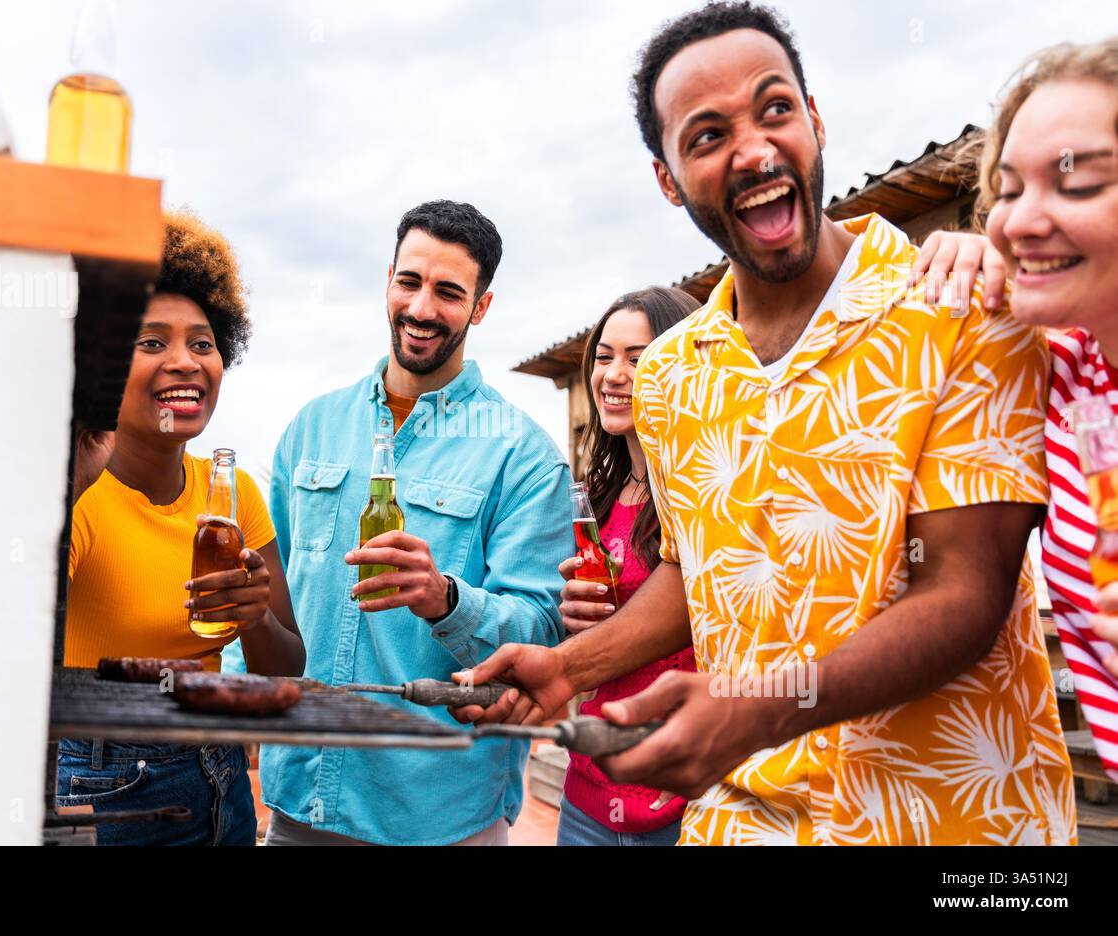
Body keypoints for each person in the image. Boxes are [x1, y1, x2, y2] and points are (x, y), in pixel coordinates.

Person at [453, 2, 1075, 845]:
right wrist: (567, 667)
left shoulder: (958, 307)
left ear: (815, 122)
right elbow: (696, 575)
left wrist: (751, 711)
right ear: (668, 179)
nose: (753, 149)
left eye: (775, 108)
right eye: (706, 136)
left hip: (955, 829)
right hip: (741, 826)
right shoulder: (670, 375)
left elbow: (965, 590)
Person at [224, 199, 571, 846]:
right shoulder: (311, 429)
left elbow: (543, 640)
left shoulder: (523, 455)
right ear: (388, 280)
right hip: (300, 800)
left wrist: (447, 601)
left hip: (440, 813)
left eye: (448, 292)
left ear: (480, 308)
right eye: (409, 282)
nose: (420, 308)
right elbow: (272, 605)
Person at [57, 208, 305, 845]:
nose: (185, 361)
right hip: (104, 783)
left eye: (202, 343)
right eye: (150, 342)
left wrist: (254, 617)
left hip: (217, 771)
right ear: (102, 361)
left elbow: (286, 668)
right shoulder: (79, 493)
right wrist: (66, 481)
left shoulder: (234, 496)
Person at [979, 37, 1118, 782]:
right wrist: (964, 256)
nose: (1020, 222)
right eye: (1009, 189)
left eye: (1078, 184)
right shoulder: (1069, 374)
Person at [556, 286, 699, 846]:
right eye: (604, 355)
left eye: (639, 359)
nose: (614, 374)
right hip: (588, 793)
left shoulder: (707, 489)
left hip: (680, 797)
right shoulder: (599, 494)